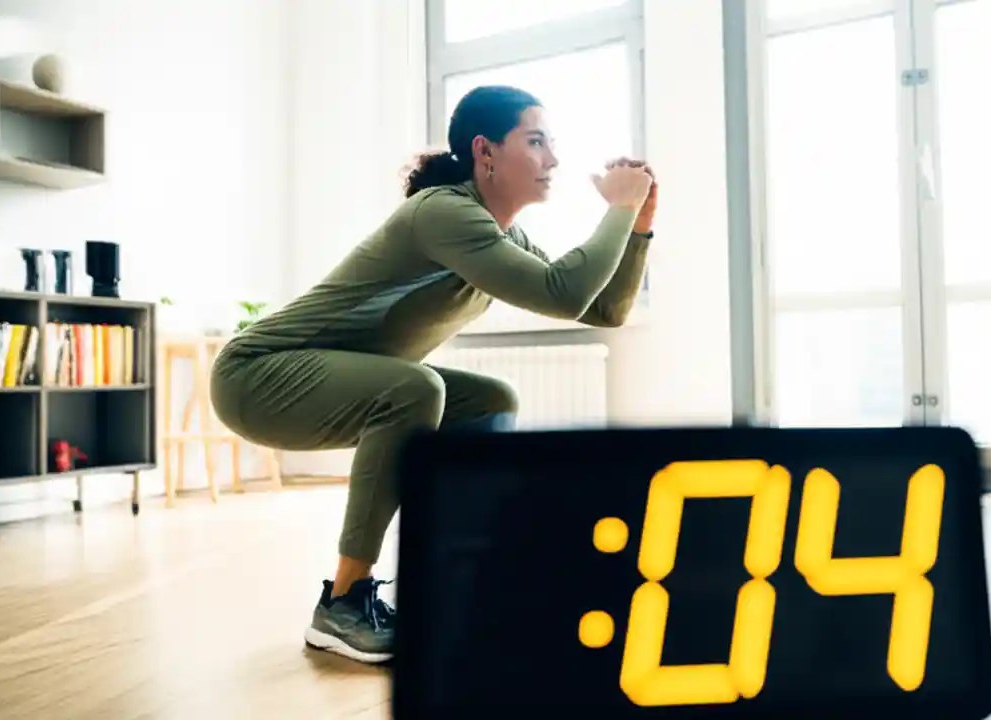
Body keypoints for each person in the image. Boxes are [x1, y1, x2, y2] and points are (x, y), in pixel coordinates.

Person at [208, 84, 658, 664]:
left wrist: (639, 226)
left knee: (489, 398)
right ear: (485, 152)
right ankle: (342, 603)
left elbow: (604, 310)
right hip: (255, 375)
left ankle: (455, 577)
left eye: (552, 144)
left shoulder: (503, 235)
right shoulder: (443, 211)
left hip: (315, 381)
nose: (553, 159)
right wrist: (617, 209)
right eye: (537, 141)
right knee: (417, 387)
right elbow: (565, 291)